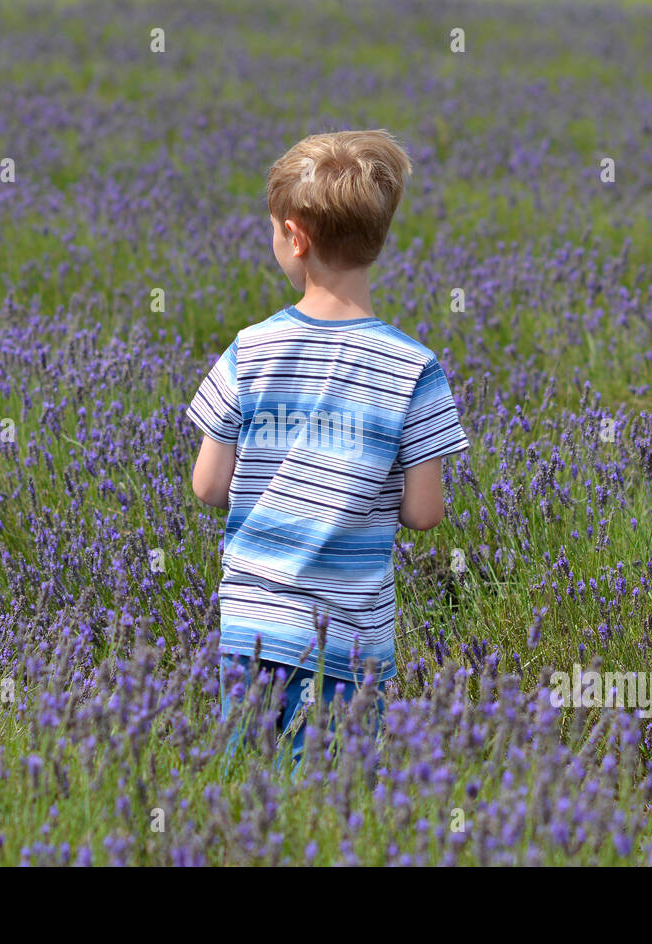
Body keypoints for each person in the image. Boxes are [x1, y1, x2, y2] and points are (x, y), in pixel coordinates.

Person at [186, 129, 469, 769]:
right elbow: (425, 513)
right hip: (350, 636)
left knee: (248, 784)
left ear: (295, 237)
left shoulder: (249, 349)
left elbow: (208, 486)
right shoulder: (413, 368)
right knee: (332, 794)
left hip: (252, 625)